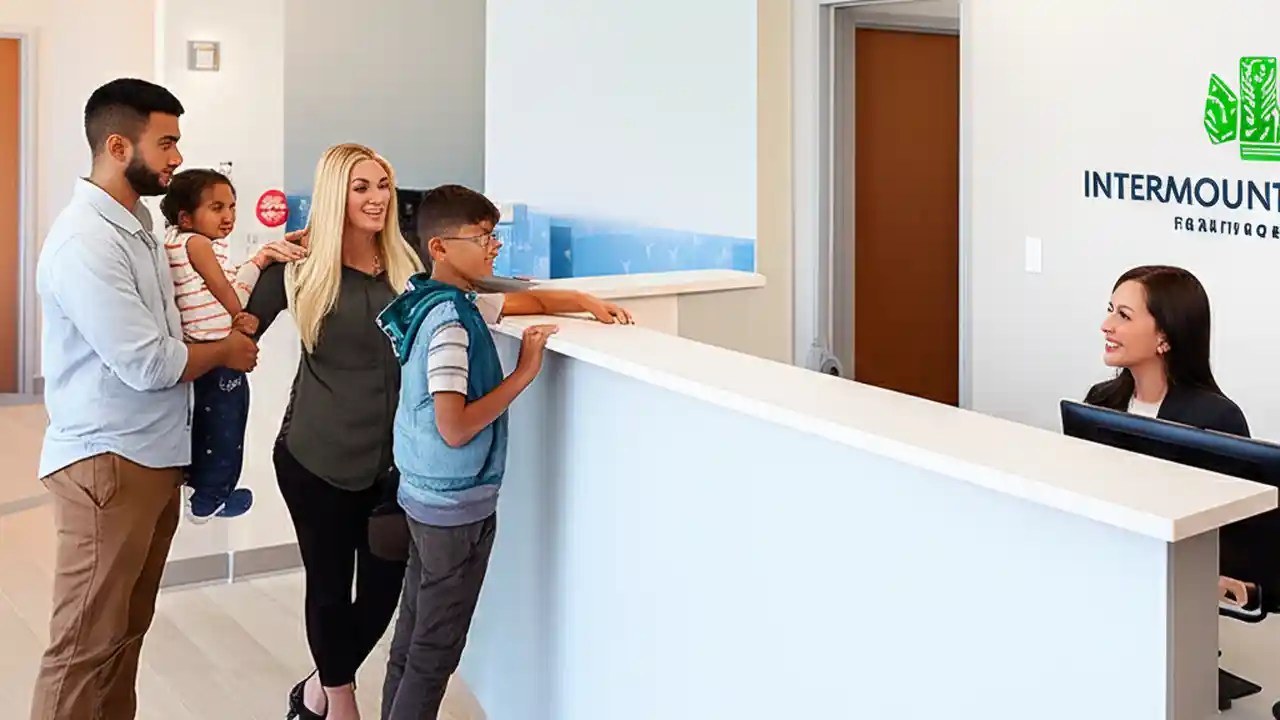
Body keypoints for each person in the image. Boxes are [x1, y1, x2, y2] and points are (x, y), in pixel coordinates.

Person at [29, 78, 262, 720]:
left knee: (122, 636)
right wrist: (226, 353)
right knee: (83, 646)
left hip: (154, 455)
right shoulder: (86, 241)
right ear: (115, 144)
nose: (177, 158)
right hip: (109, 461)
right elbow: (148, 361)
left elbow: (178, 322)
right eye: (166, 143)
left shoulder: (134, 224)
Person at [377, 184, 633, 720]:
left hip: (424, 495)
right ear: (440, 247)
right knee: (434, 650)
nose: (494, 247)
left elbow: (524, 299)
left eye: (495, 235)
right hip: (454, 507)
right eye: (483, 237)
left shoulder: (429, 298)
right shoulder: (451, 323)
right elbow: (454, 427)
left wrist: (583, 301)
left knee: (412, 633)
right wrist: (525, 372)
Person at [246, 143, 426, 720]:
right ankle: (341, 705)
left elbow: (481, 287)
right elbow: (232, 325)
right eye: (362, 187)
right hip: (314, 458)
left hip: (393, 463)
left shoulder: (410, 266)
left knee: (382, 591)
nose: (378, 199)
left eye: (383, 185)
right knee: (328, 584)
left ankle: (317, 691)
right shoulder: (295, 270)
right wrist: (252, 264)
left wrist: (568, 298)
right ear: (335, 196)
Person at [1084, 264, 1257, 607]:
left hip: (1175, 595)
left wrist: (1245, 587)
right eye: (1109, 311)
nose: (1107, 325)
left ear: (1165, 336)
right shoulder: (1101, 402)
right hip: (1105, 578)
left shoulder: (1216, 419)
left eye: (1124, 316)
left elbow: (1245, 540)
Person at [160, 168, 307, 521]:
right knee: (226, 428)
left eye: (231, 207)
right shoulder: (196, 243)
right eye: (216, 208)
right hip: (216, 347)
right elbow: (222, 286)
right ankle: (210, 498)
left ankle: (201, 488)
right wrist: (240, 314)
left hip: (199, 345)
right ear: (186, 216)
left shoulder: (173, 241)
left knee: (207, 425)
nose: (228, 216)